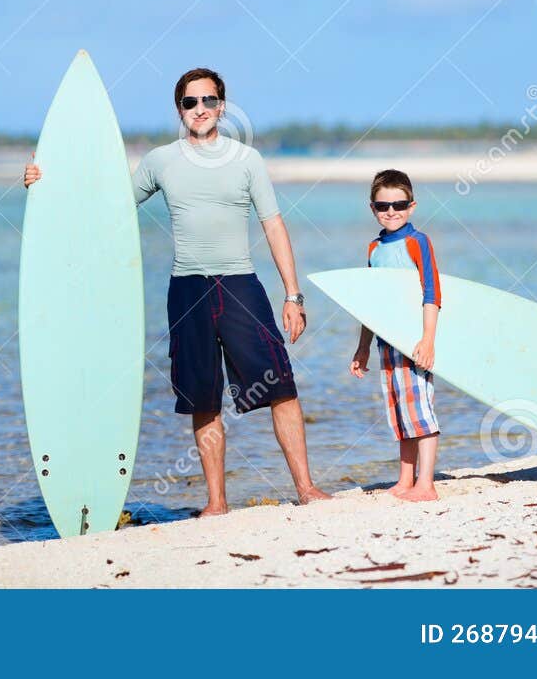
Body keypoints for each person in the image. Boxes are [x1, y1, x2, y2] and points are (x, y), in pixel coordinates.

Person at [24, 67, 331, 516]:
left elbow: (273, 225)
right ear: (180, 110)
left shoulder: (246, 159)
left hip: (240, 284)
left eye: (209, 101)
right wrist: (43, 183)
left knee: (280, 386)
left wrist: (293, 294)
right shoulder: (161, 161)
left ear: (222, 107)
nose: (201, 110)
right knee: (202, 398)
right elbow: (105, 203)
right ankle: (217, 502)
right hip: (187, 290)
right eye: (191, 103)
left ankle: (306, 488)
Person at [348, 169, 444, 502]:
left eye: (399, 204)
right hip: (385, 344)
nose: (391, 211)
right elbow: (371, 305)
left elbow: (432, 292)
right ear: (372, 208)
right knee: (399, 411)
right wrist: (362, 347)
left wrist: (428, 339)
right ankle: (406, 479)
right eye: (383, 205)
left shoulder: (417, 242)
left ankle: (426, 484)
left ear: (412, 206)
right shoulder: (374, 247)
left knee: (421, 410)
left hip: (415, 342)